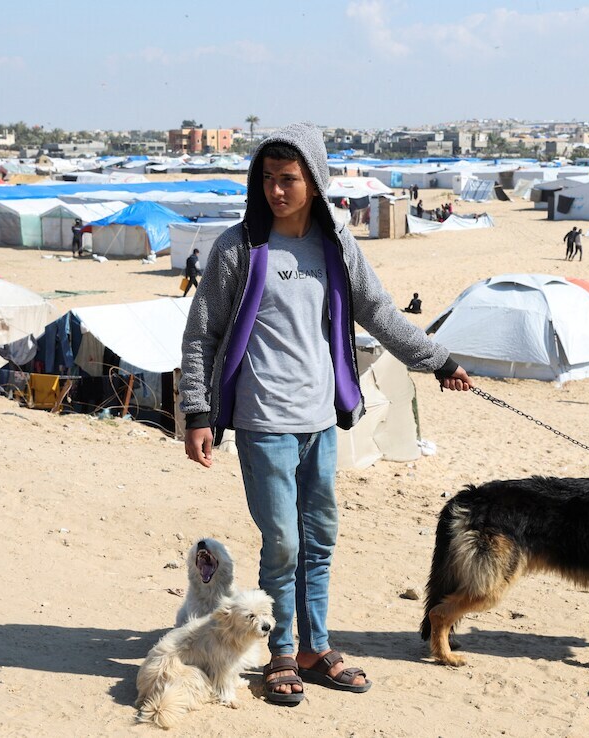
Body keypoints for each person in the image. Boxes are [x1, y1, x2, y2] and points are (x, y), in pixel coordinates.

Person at [179, 124, 473, 706]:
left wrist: (438, 361)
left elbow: (380, 313)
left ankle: (315, 647)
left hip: (320, 420)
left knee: (320, 539)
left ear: (313, 181)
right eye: (267, 178)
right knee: (283, 543)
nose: (276, 190)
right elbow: (201, 334)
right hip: (263, 419)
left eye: (288, 179)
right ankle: (281, 652)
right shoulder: (239, 248)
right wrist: (197, 412)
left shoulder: (336, 244)